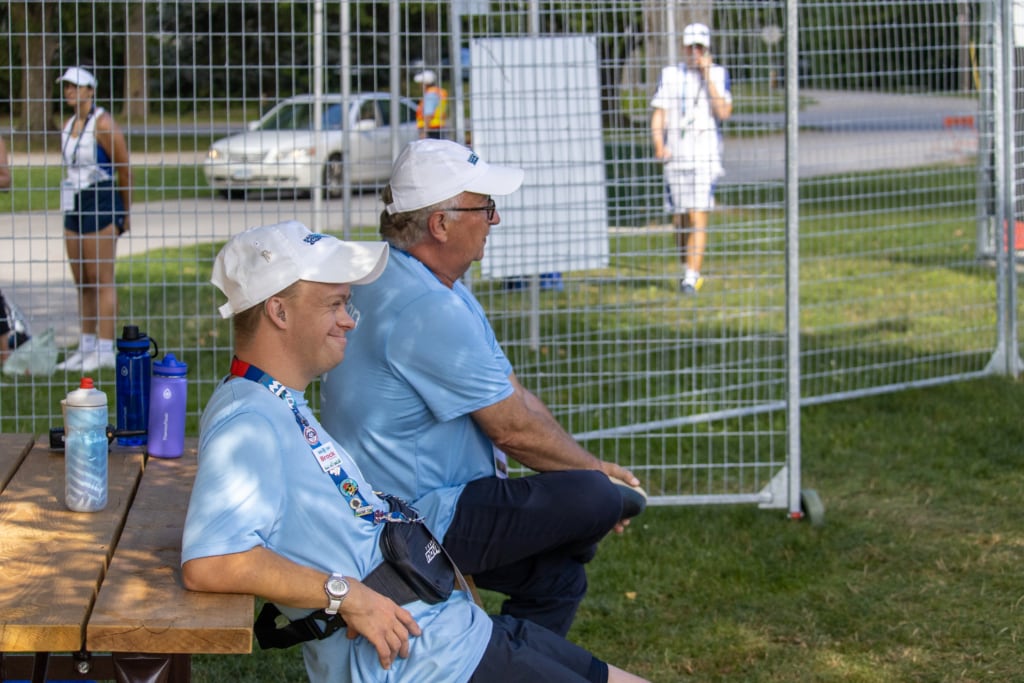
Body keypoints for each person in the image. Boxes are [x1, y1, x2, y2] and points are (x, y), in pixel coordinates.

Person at [182, 220, 650, 683]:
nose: (349, 319)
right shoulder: (248, 419)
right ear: (279, 313)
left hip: (448, 633)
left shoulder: (276, 401)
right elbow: (212, 562)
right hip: (421, 663)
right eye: (335, 305)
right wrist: (348, 596)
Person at [320, 139, 645, 638]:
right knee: (591, 499)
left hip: (420, 502)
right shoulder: (426, 306)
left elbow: (513, 397)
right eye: (485, 207)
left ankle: (513, 663)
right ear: (440, 224)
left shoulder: (415, 280)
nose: (495, 220)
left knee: (560, 572)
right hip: (410, 519)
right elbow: (512, 430)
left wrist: (591, 483)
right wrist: (597, 476)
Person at [54, 65, 132, 372]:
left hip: (100, 198)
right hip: (74, 199)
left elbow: (124, 168)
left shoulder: (103, 123)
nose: (70, 91)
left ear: (90, 90)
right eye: (67, 86)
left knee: (101, 278)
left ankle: (103, 347)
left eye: (76, 86)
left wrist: (124, 211)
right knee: (82, 279)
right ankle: (85, 346)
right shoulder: (68, 123)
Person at [650, 22, 733, 295]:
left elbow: (724, 111)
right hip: (677, 157)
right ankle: (687, 266)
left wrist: (707, 75)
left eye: (700, 47)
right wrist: (659, 144)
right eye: (691, 47)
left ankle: (691, 276)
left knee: (699, 215)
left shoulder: (719, 75)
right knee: (681, 218)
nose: (695, 52)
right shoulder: (671, 75)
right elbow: (659, 113)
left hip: (705, 157)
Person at [413, 70, 448, 140]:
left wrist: (424, 132)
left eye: (421, 83)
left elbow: (428, 114)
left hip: (431, 129)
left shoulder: (430, 95)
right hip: (437, 127)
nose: (420, 86)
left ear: (425, 83)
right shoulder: (438, 92)